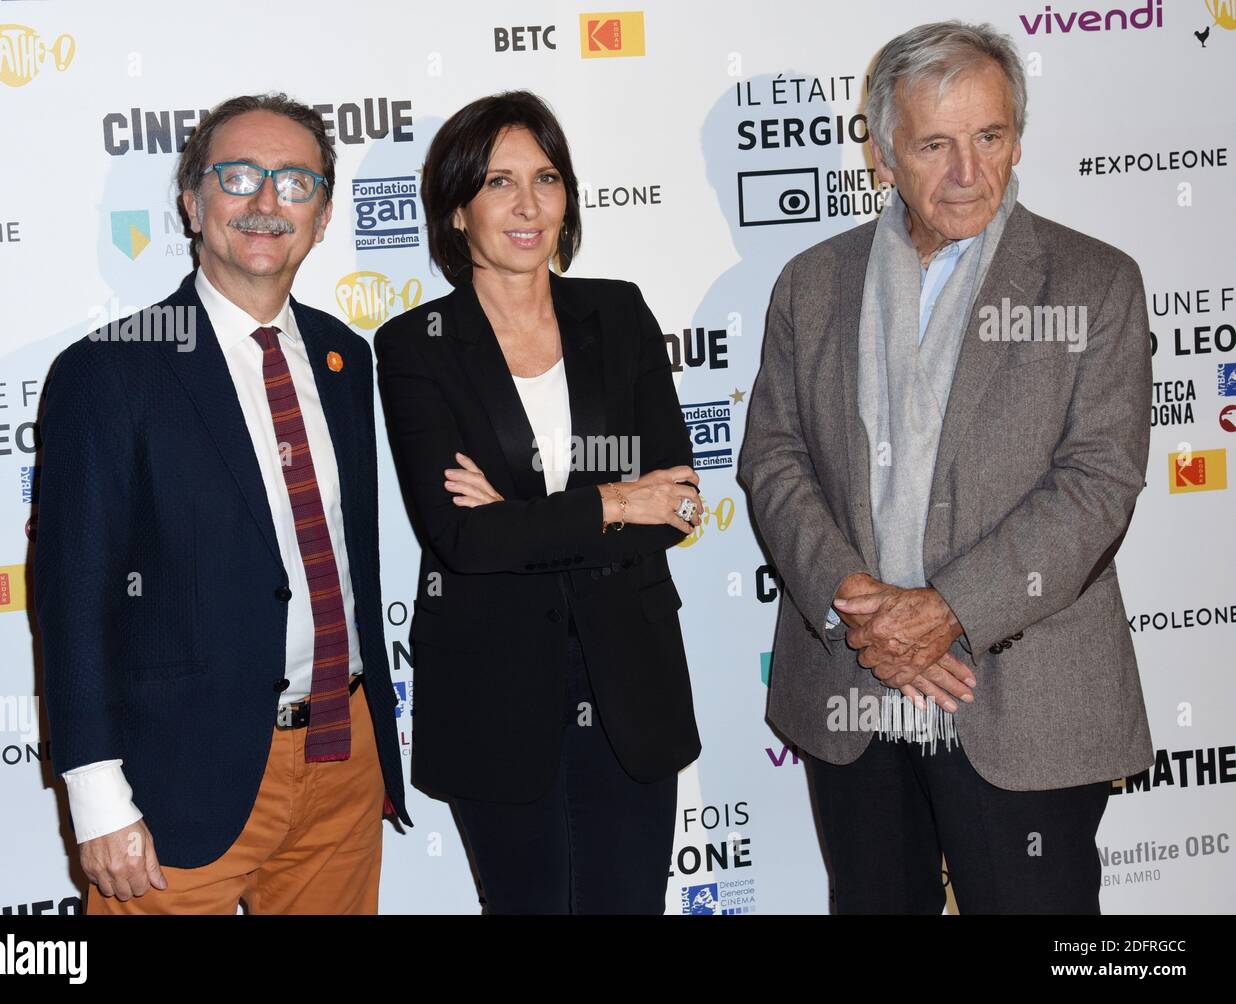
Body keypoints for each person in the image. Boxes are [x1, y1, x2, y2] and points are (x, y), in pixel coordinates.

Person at [739, 22, 1152, 914]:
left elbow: (1097, 483)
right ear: (882, 153)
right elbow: (773, 457)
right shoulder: (810, 285)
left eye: (991, 137)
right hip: (856, 688)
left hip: (1023, 699)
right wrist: (860, 606)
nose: (970, 171)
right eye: (936, 144)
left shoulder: (1095, 283)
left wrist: (947, 612)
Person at [35, 92, 409, 914]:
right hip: (177, 780)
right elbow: (73, 600)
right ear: (191, 203)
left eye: (295, 182)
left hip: (343, 761)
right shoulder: (110, 371)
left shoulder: (348, 360)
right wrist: (97, 795)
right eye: (239, 177)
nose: (267, 202)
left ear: (323, 213)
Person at [374, 90, 702, 914]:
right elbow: (463, 541)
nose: (528, 205)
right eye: (497, 182)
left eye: (547, 178)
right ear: (455, 211)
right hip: (495, 696)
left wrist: (526, 516)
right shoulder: (417, 345)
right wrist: (613, 505)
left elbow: (680, 505)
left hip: (631, 689)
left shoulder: (618, 313)